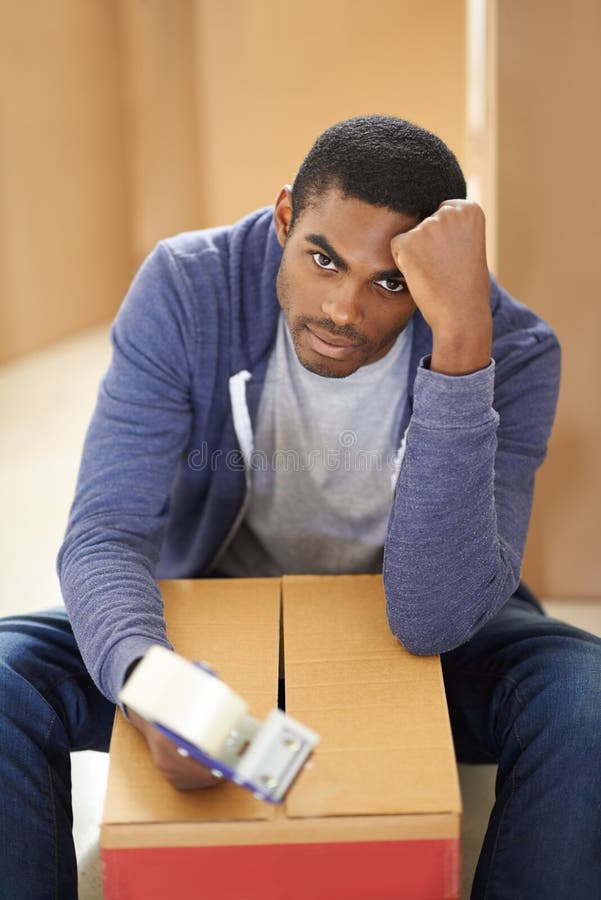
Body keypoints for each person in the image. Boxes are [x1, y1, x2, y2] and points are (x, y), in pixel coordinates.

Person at [0, 114, 599, 900]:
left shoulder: (509, 348)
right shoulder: (188, 285)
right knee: (7, 678)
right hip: (211, 610)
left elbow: (432, 615)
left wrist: (459, 347)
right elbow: (105, 530)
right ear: (284, 217)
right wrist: (152, 682)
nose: (344, 311)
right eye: (322, 258)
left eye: (390, 282)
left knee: (584, 704)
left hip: (412, 640)